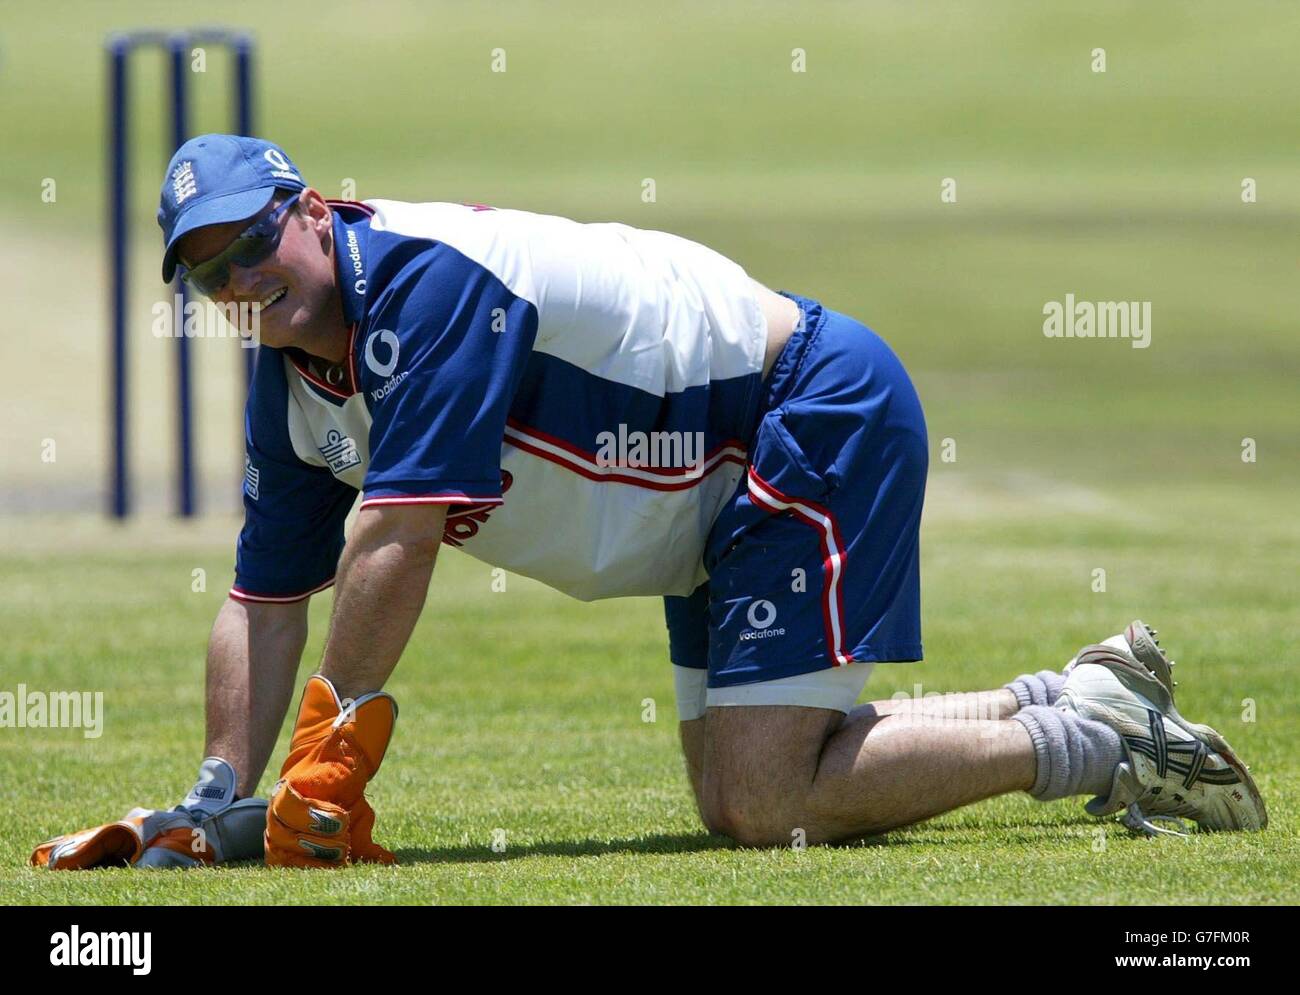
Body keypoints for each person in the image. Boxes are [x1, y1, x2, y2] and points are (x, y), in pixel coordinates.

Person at [32, 136, 1264, 870]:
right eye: (206, 271)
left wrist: (325, 759)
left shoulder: (422, 283)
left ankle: (1102, 747)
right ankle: (1071, 693)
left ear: (310, 208)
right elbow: (260, 599)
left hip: (797, 407)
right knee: (744, 795)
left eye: (253, 243)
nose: (242, 281)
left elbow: (395, 536)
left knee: (765, 801)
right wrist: (212, 799)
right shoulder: (291, 373)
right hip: (702, 492)